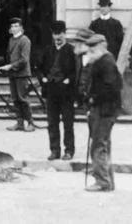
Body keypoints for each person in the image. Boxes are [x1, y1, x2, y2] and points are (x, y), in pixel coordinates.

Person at [79, 32, 122, 192]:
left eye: (92, 48)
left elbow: (111, 89)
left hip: (104, 110)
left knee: (98, 146)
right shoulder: (101, 61)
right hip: (103, 109)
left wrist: (92, 99)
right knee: (102, 145)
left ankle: (102, 181)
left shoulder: (107, 62)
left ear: (101, 47)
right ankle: (108, 180)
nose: (90, 51)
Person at [41, 20, 77, 161]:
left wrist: (69, 80)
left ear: (65, 33)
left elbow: (76, 71)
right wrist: (42, 79)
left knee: (68, 123)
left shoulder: (71, 50)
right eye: (55, 34)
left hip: (66, 92)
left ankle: (69, 151)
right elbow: (39, 68)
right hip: (51, 91)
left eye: (60, 34)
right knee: (52, 123)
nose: (58, 37)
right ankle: (54, 150)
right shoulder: (47, 50)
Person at [0, 17, 34, 131]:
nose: (14, 28)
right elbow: (9, 56)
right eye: (12, 26)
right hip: (13, 74)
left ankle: (31, 123)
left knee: (23, 99)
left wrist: (11, 66)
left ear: (21, 28)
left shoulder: (25, 40)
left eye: (16, 26)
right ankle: (19, 122)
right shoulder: (11, 40)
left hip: (22, 73)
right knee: (15, 99)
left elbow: (24, 59)